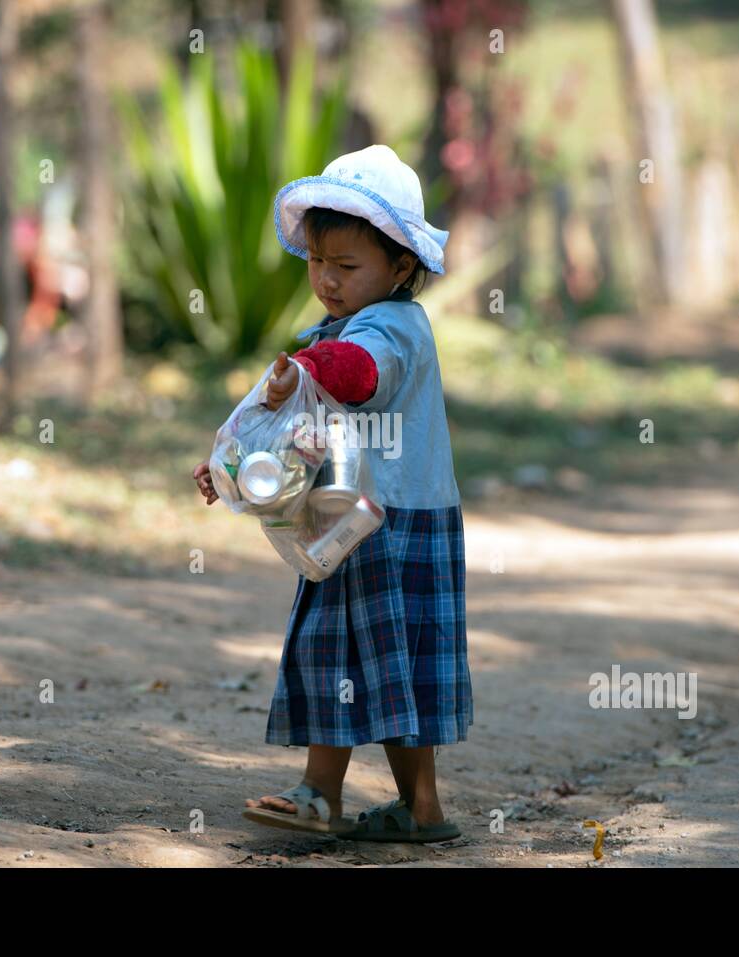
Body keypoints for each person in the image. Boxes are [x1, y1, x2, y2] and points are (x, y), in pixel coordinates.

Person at [191, 144, 471, 842]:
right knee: (390, 663)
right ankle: (421, 808)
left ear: (401, 266)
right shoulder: (338, 329)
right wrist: (232, 465)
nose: (327, 279)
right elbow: (293, 426)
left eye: (347, 267)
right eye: (318, 263)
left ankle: (320, 793)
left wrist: (304, 368)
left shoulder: (390, 328)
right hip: (356, 518)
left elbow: (357, 375)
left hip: (387, 525)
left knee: (337, 653)